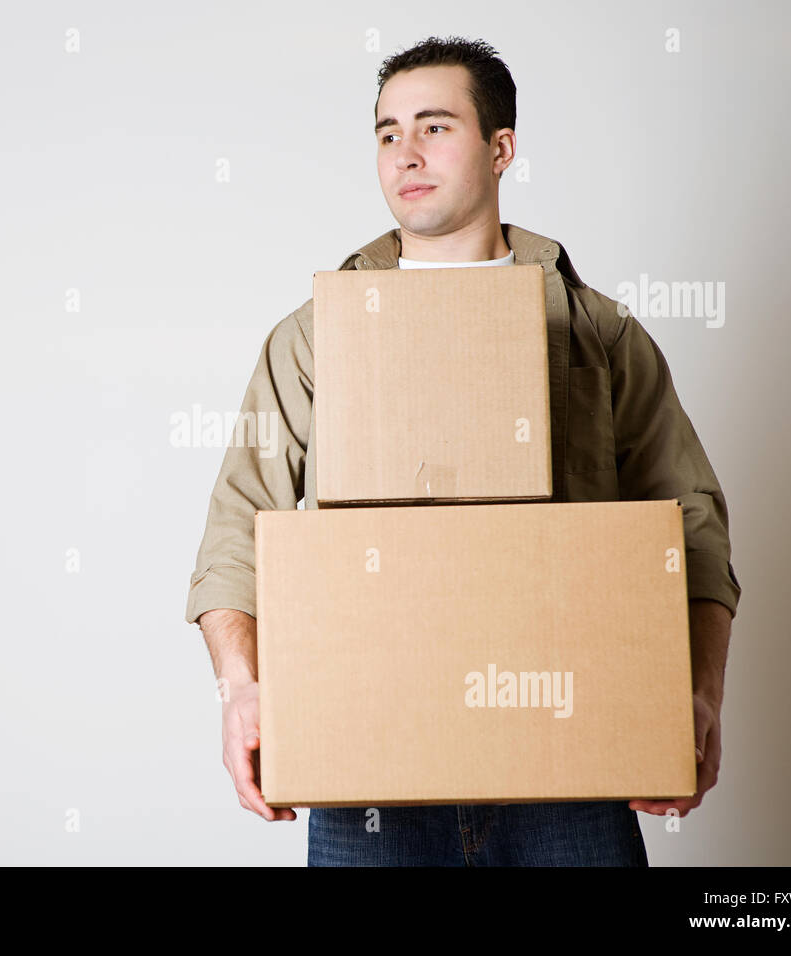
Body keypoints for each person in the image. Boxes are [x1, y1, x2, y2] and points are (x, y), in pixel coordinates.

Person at [184, 36, 741, 866]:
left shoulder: (600, 333)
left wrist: (697, 692)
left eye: (435, 127)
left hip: (571, 769)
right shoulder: (313, 339)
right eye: (386, 133)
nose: (405, 153)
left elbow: (692, 524)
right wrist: (241, 691)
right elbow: (238, 528)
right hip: (366, 767)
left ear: (501, 146)